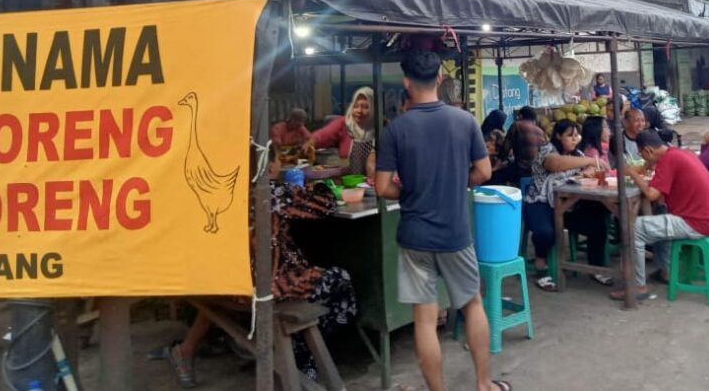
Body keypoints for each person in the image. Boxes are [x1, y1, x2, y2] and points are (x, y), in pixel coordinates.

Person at [374, 50, 510, 391]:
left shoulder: (395, 129)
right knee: (473, 304)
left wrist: (410, 193)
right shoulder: (464, 121)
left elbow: (382, 186)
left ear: (406, 82)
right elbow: (484, 171)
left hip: (414, 237)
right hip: (454, 234)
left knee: (424, 318)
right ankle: (484, 384)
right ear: (439, 79)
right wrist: (457, 182)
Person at [165, 148, 357, 388]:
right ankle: (302, 358)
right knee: (340, 281)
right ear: (271, 165)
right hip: (265, 289)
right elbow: (324, 204)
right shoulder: (273, 193)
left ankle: (193, 348)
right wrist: (320, 187)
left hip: (229, 282)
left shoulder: (225, 194)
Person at [611, 130, 709, 301]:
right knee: (660, 213)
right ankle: (664, 270)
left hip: (697, 222)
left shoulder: (668, 160)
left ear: (648, 150)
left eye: (642, 155)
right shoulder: (681, 153)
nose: (644, 159)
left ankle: (637, 286)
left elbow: (652, 195)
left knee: (635, 227)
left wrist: (632, 173)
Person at [523, 119, 612, 291]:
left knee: (597, 224)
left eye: (576, 135)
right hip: (540, 204)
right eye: (569, 135)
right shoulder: (547, 149)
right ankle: (541, 265)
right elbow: (555, 164)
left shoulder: (577, 154)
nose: (574, 139)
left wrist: (589, 171)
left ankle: (596, 267)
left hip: (566, 206)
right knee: (546, 232)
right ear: (558, 135)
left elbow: (588, 172)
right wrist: (589, 161)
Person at [311, 87, 376, 176]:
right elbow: (324, 134)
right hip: (347, 179)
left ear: (374, 109)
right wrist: (312, 141)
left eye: (366, 107)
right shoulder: (344, 123)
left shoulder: (381, 126)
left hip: (375, 179)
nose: (359, 111)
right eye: (356, 106)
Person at [492, 106, 547, 187]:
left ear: (520, 116)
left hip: (522, 170)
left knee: (495, 176)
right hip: (539, 172)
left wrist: (495, 167)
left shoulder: (517, 125)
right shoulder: (541, 132)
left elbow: (505, 149)